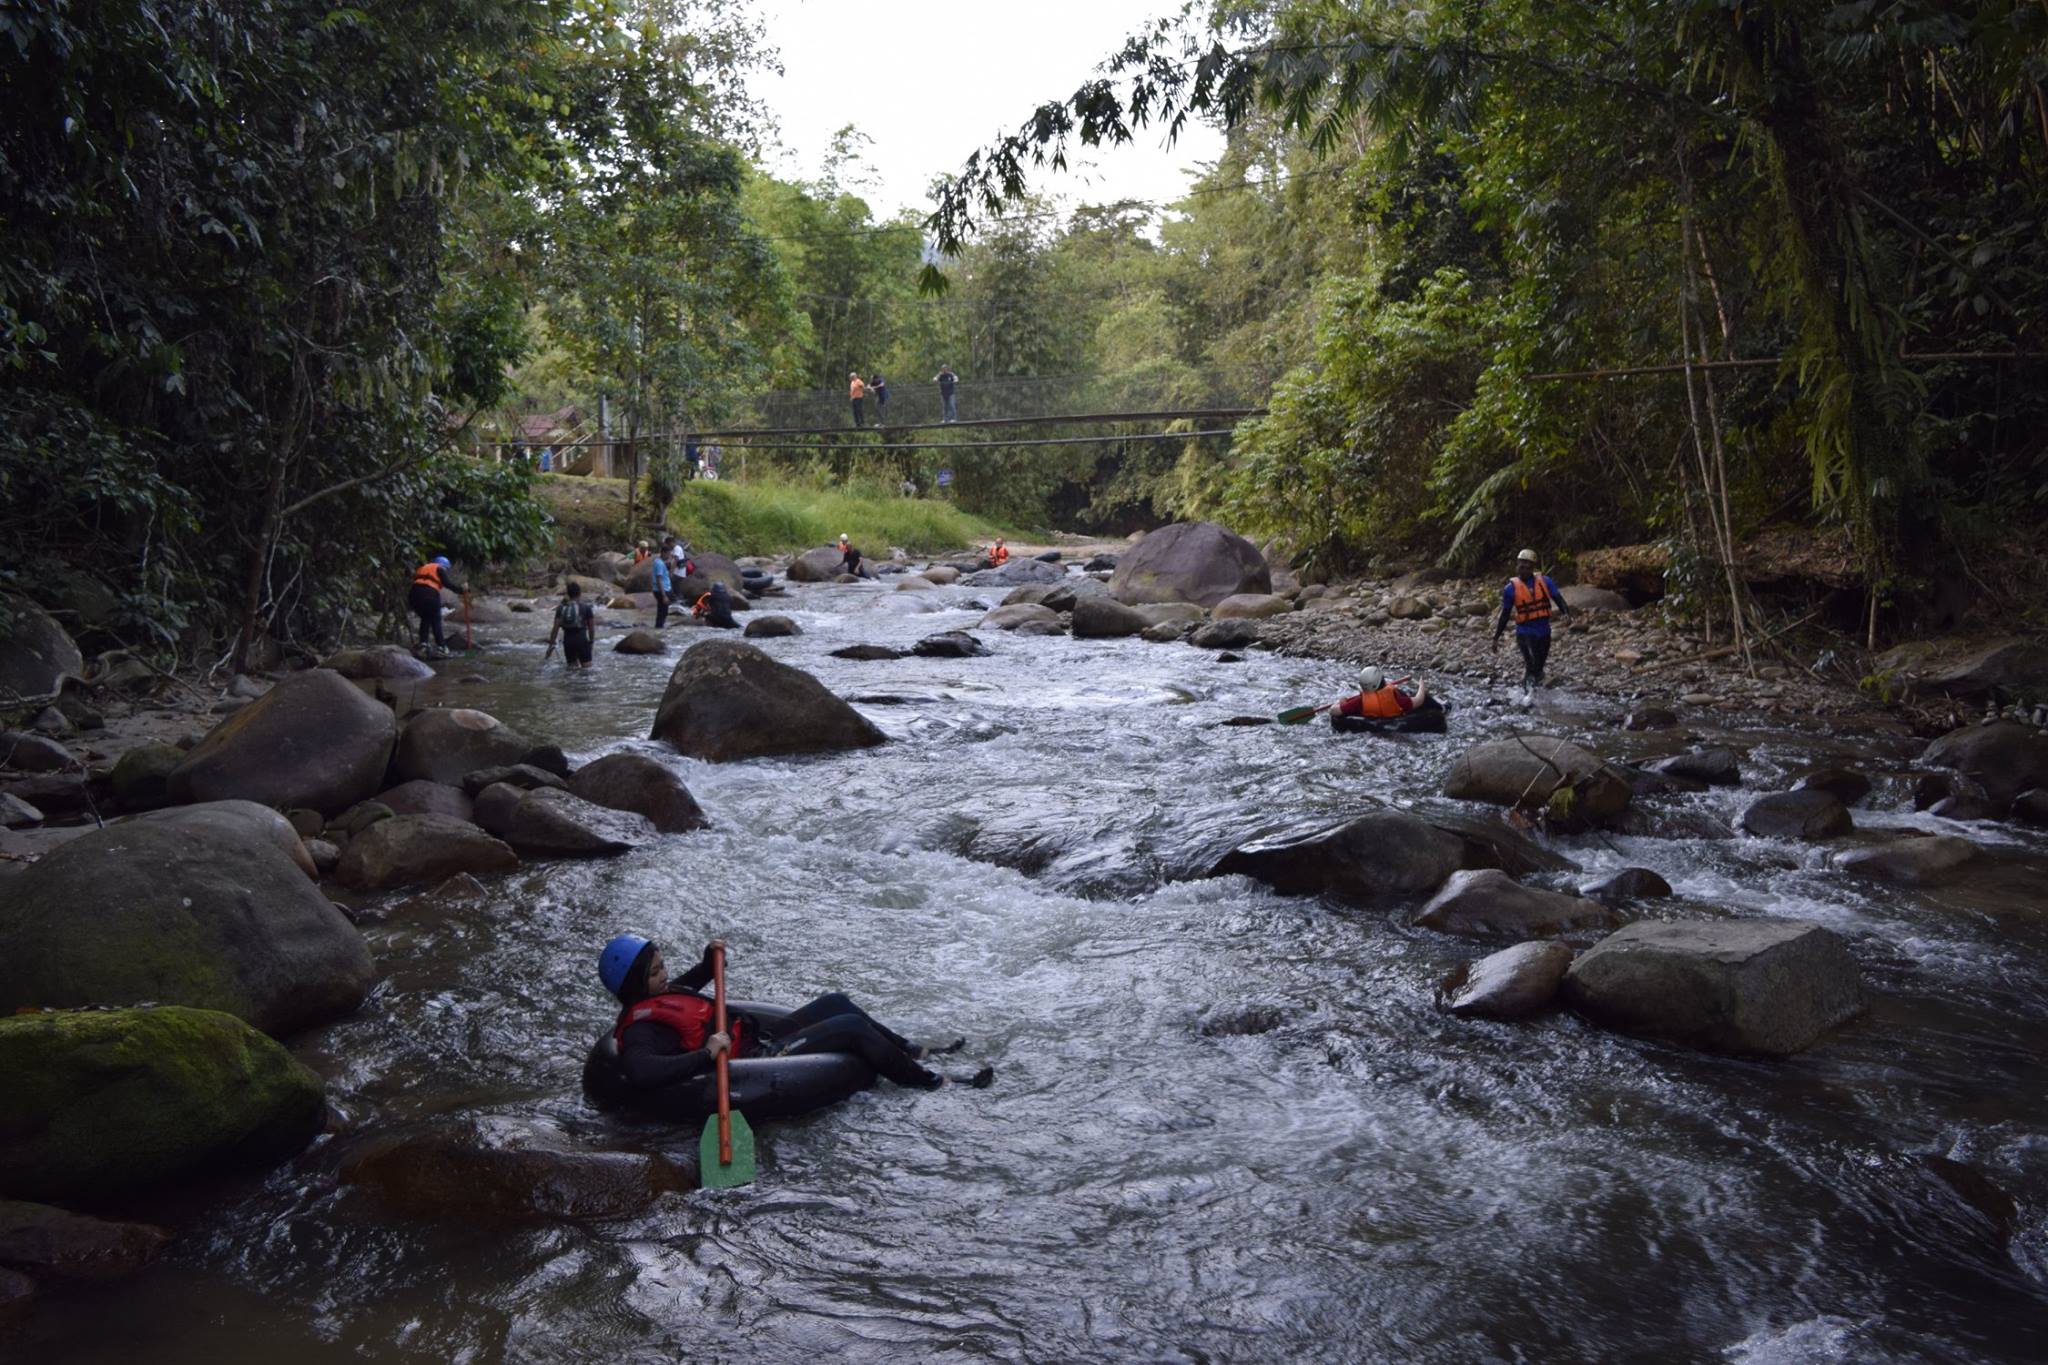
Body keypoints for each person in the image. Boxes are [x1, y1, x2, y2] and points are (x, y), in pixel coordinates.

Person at [599, 936, 991, 1093]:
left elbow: (690, 985)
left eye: (662, 965)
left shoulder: (662, 995)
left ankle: (914, 1051)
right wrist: (706, 1054)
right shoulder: (643, 1030)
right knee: (850, 1027)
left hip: (756, 1041)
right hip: (752, 1062)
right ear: (635, 986)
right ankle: (935, 1083)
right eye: (655, 972)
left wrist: (707, 961)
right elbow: (642, 1071)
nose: (665, 975)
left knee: (836, 1002)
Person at [1491, 548, 1573, 695]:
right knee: (1531, 665)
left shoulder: (1545, 582)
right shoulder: (1510, 589)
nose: (1523, 570)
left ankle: (1536, 689)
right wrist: (1496, 637)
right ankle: (1528, 697)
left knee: (1539, 667)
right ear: (1517, 565)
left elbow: (1559, 599)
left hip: (1544, 632)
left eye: (1527, 567)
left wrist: (1566, 613)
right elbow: (1504, 615)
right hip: (1525, 633)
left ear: (1533, 568)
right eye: (1521, 566)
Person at [1334, 665, 1428, 720]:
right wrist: (1421, 686)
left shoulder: (1359, 702)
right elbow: (1419, 700)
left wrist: (1340, 702)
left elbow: (1333, 711)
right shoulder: (1397, 700)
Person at [409, 555, 463, 651]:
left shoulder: (423, 568)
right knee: (436, 619)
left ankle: (423, 643)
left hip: (414, 594)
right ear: (444, 566)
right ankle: (441, 646)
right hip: (429, 594)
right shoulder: (439, 568)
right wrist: (460, 590)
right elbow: (447, 583)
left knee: (425, 618)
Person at [548, 580, 596, 669]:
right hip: (581, 640)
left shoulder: (561, 608)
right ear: (579, 593)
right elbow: (591, 628)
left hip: (568, 641)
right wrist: (591, 641)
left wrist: (550, 646)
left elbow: (555, 629)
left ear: (568, 594)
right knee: (587, 670)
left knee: (572, 670)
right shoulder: (586, 608)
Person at [649, 545, 673, 629]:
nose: (669, 556)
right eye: (668, 554)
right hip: (661, 591)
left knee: (663, 611)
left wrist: (669, 568)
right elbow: (659, 579)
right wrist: (664, 596)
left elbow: (667, 576)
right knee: (662, 612)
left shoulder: (659, 562)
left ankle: (659, 627)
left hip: (664, 589)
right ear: (663, 553)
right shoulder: (659, 564)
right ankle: (659, 628)